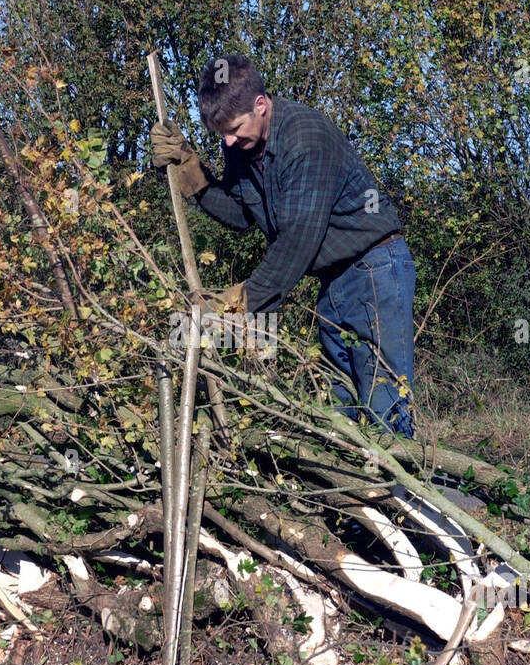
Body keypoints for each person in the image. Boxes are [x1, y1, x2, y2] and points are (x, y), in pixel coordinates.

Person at [150, 52, 416, 438]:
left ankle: (401, 494)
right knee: (342, 405)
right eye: (219, 133)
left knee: (384, 400)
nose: (227, 140)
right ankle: (362, 496)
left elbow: (296, 242)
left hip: (374, 271)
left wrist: (238, 304)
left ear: (260, 105)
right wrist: (191, 174)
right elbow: (243, 215)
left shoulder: (305, 138)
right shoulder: (240, 146)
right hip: (333, 280)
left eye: (234, 128)